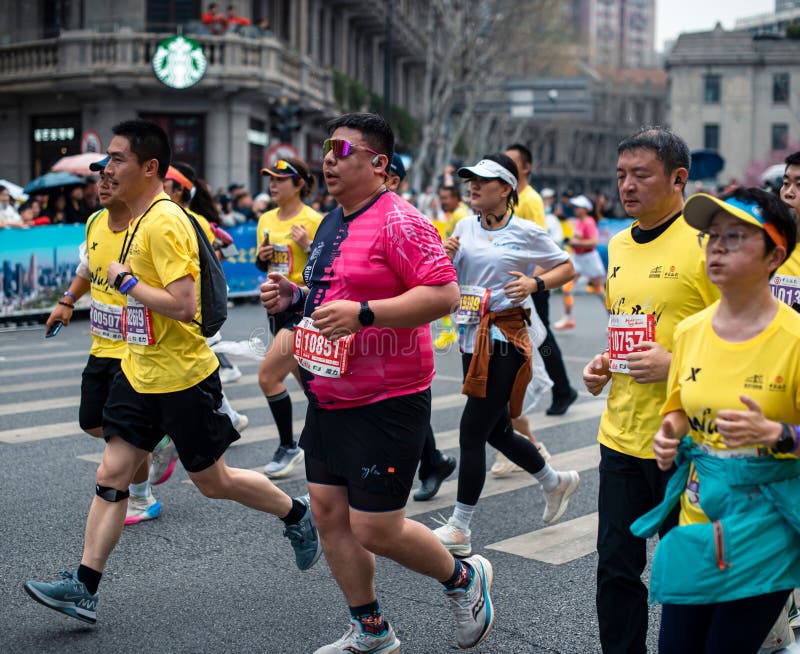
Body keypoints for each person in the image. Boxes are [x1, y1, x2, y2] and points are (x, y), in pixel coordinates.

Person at [24, 119, 322, 627]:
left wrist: (130, 281)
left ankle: (295, 513)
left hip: (185, 375)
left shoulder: (167, 222)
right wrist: (72, 300)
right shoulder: (100, 225)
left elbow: (184, 306)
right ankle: (84, 587)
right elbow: (97, 276)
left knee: (213, 481)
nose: (105, 169)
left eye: (117, 159)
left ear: (150, 168)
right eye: (105, 160)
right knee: (111, 474)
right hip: (136, 370)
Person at [261, 113, 494, 652]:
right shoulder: (329, 222)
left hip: (387, 399)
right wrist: (294, 297)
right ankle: (371, 629)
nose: (329, 159)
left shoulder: (401, 222)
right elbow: (326, 298)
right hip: (330, 393)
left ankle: (464, 579)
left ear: (378, 163)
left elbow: (442, 294)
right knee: (326, 513)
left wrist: (364, 314)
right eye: (326, 149)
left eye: (343, 150)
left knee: (376, 528)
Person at [634, 188, 800, 653]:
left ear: (775, 255)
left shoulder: (794, 338)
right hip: (697, 518)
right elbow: (678, 409)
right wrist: (669, 437)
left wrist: (780, 434)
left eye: (736, 236)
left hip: (766, 526)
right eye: (711, 237)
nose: (717, 247)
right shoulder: (690, 331)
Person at [582, 127, 719, 654]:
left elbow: (739, 338)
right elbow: (628, 324)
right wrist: (603, 364)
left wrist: (675, 363)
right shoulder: (616, 243)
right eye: (621, 175)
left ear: (679, 178)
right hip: (620, 434)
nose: (627, 186)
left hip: (686, 442)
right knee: (616, 569)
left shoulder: (709, 243)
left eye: (641, 174)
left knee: (688, 573)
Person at [432, 154, 580, 556]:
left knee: (471, 430)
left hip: (506, 336)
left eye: (483, 180)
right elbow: (450, 278)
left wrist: (535, 282)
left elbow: (567, 268)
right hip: (470, 336)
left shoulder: (527, 231)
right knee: (496, 429)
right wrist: (445, 256)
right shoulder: (463, 225)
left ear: (507, 188)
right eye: (470, 181)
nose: (472, 187)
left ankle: (460, 526)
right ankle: (555, 481)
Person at [42, 158, 164, 525]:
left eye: (112, 175)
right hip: (101, 344)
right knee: (91, 422)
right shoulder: (95, 221)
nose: (104, 182)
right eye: (101, 177)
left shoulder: (148, 226)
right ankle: (157, 439)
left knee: (121, 433)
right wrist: (66, 302)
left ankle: (142, 498)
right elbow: (86, 266)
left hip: (136, 349)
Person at [385, 154, 458, 502]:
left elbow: (437, 286)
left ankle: (430, 464)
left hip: (396, 333)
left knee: (400, 405)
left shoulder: (405, 220)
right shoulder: (344, 219)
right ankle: (433, 462)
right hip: (353, 336)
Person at [255, 157, 322, 478]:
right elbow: (263, 266)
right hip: (276, 309)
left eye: (281, 179)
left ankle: (288, 447)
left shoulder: (314, 220)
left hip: (303, 308)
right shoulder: (265, 219)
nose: (273, 185)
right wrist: (261, 257)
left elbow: (327, 271)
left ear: (299, 184)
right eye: (270, 179)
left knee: (268, 376)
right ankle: (336, 441)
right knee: (315, 391)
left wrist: (308, 246)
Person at [432, 185, 470, 350]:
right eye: (442, 197)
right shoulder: (457, 213)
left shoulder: (460, 215)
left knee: (451, 301)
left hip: (458, 266)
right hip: (454, 265)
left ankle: (455, 333)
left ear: (456, 197)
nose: (443, 201)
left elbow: (460, 244)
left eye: (446, 197)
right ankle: (454, 332)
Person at [567, 194, 606, 308]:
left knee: (599, 291)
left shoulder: (589, 222)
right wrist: (572, 242)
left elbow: (594, 242)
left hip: (589, 258)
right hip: (577, 257)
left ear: (585, 209)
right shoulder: (578, 221)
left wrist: (576, 243)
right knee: (566, 287)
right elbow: (577, 237)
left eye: (578, 207)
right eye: (575, 207)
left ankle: (612, 318)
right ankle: (568, 318)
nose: (575, 209)